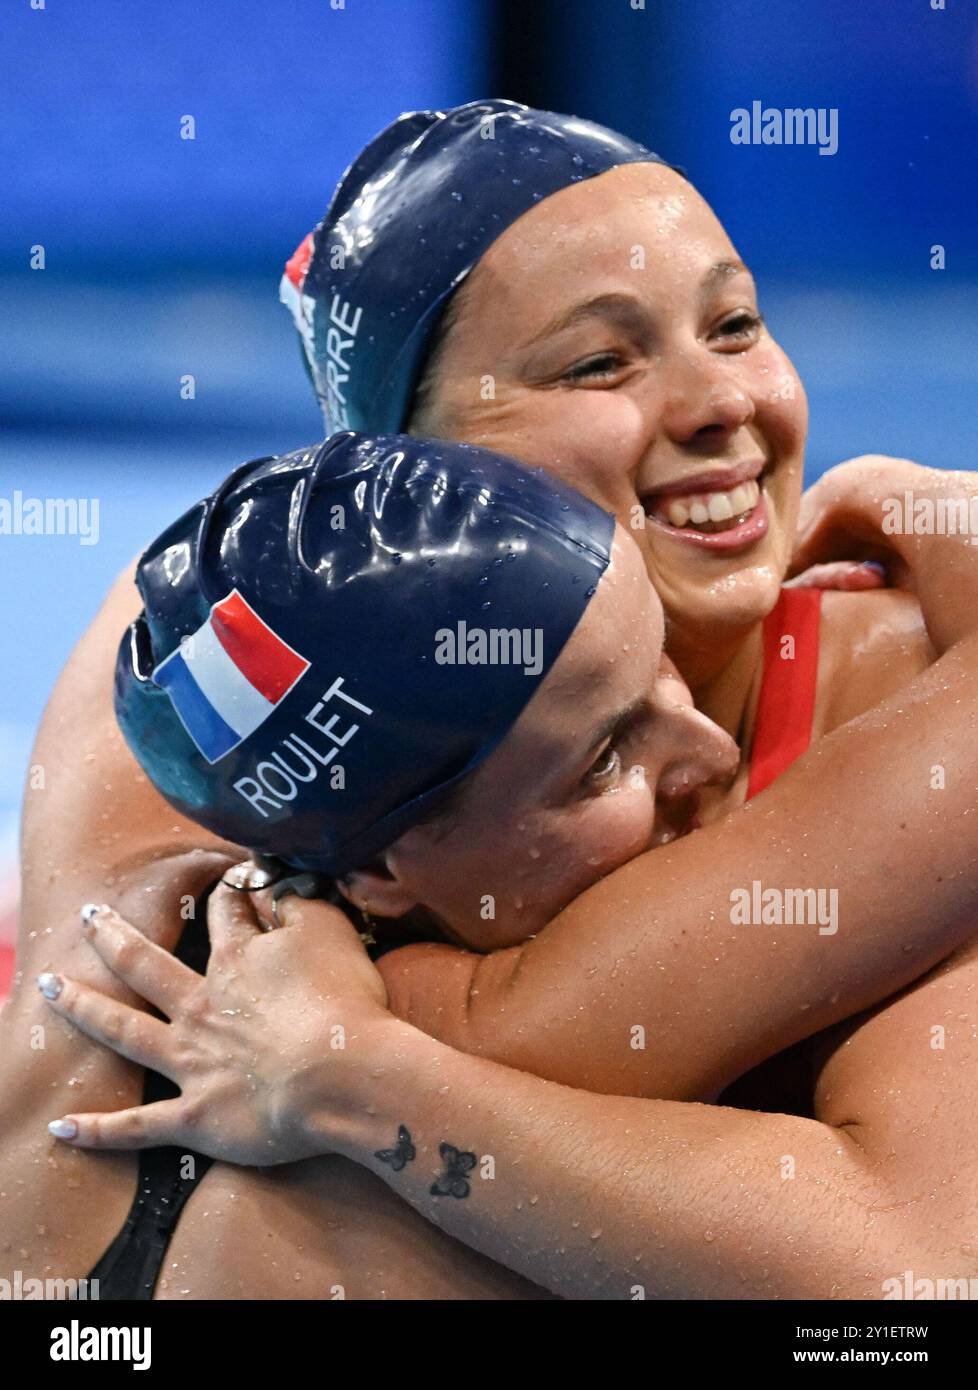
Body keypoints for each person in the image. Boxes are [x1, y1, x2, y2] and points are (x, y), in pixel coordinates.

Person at [21, 434, 978, 1301]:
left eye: (666, 662)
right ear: (387, 875)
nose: (711, 755)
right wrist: (906, 493)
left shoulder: (121, 842)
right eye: (603, 761)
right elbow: (908, 1298)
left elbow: (185, 591)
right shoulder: (529, 1022)